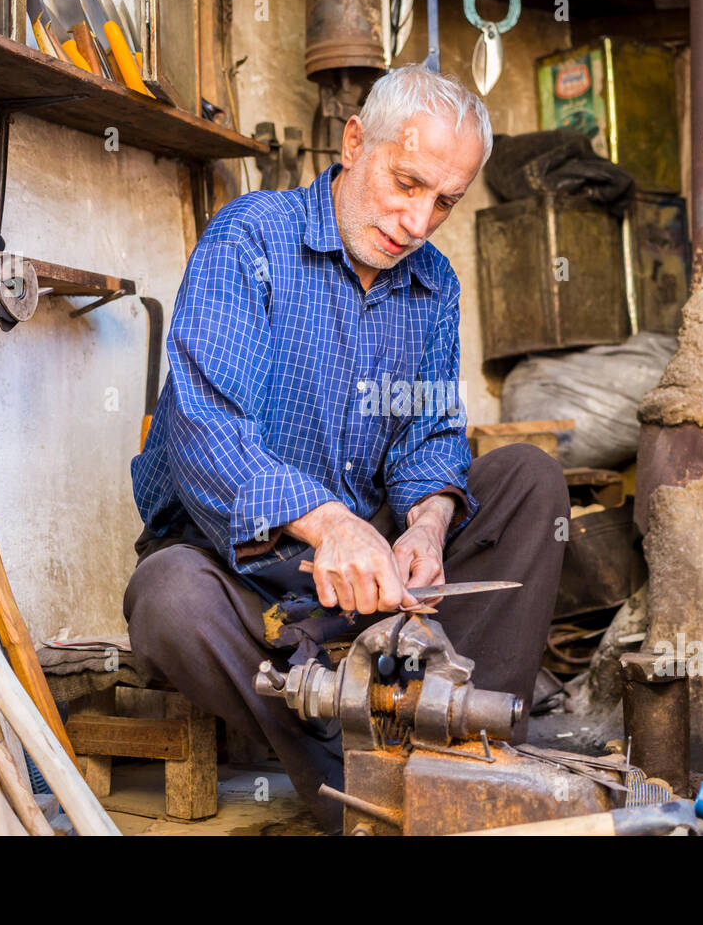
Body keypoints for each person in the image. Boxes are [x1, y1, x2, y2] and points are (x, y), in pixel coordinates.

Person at [124, 64, 568, 831]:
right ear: (354, 141)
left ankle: (462, 746)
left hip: (376, 589)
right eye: (406, 183)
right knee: (168, 596)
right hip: (256, 578)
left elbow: (429, 438)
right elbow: (207, 431)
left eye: (445, 202)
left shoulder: (433, 285)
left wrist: (426, 526)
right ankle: (358, 789)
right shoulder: (251, 238)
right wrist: (331, 526)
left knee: (529, 481)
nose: (419, 221)